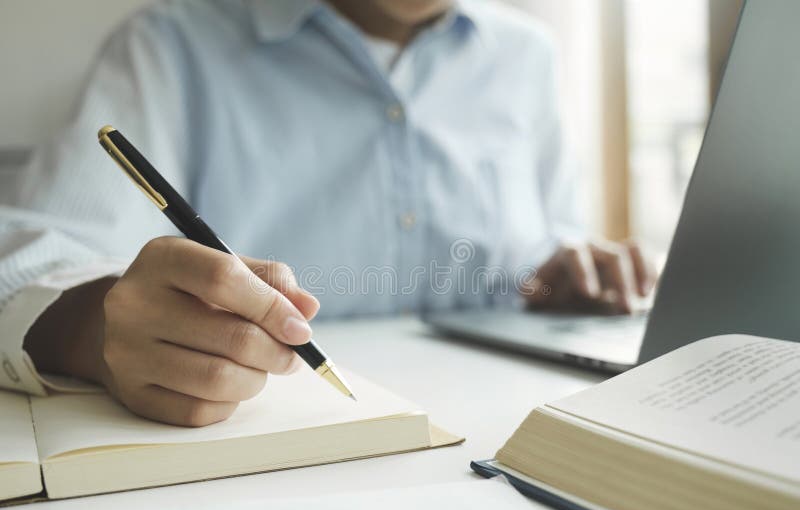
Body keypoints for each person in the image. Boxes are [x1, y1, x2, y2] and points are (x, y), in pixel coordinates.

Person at [0, 0, 656, 426]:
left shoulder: (528, 55)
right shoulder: (168, 46)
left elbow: (535, 252)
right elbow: (33, 258)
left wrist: (556, 279)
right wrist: (94, 326)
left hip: (507, 434)